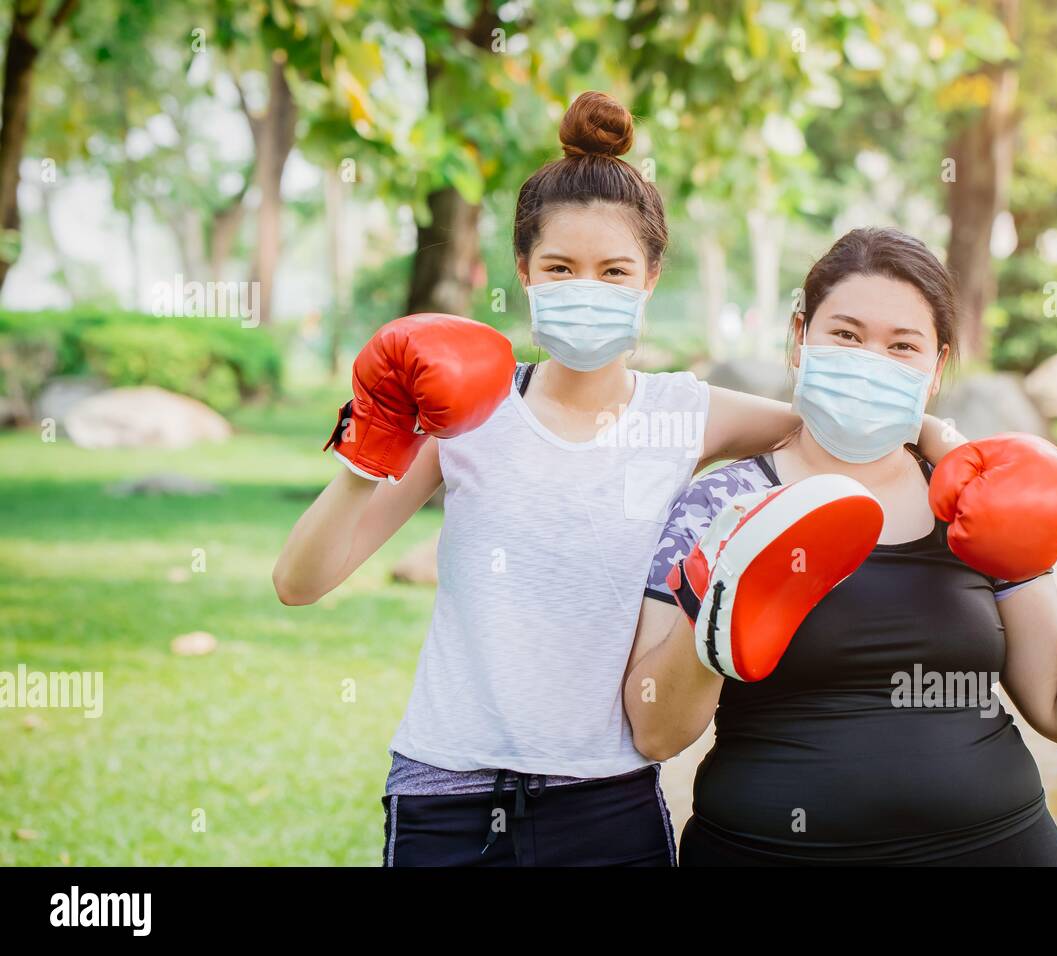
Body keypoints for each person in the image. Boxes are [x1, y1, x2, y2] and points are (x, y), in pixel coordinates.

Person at [274, 96, 964, 866]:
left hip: (608, 798)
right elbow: (302, 582)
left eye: (613, 271)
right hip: (448, 789)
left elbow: (823, 417)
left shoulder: (685, 413)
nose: (586, 288)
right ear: (525, 273)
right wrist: (374, 436)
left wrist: (939, 435)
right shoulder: (469, 412)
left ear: (649, 278)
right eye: (561, 268)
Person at [626, 225, 1057, 866]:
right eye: (846, 335)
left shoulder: (977, 504)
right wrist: (712, 602)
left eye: (903, 346)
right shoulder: (722, 501)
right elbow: (655, 730)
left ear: (936, 368)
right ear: (799, 340)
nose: (871, 361)